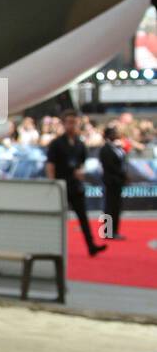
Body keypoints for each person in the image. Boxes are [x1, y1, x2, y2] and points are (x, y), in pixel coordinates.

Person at [45, 110, 106, 256]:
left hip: (75, 186)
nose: (72, 125)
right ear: (63, 123)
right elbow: (50, 165)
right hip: (61, 186)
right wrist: (53, 183)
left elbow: (82, 163)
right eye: (69, 122)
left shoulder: (80, 143)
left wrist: (80, 172)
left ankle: (91, 246)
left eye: (74, 122)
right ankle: (53, 249)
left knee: (83, 217)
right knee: (58, 219)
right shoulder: (56, 143)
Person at [98, 124, 128, 240]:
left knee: (116, 207)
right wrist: (122, 174)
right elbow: (110, 166)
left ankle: (114, 230)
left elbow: (122, 163)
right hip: (110, 181)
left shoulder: (118, 148)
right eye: (113, 133)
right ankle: (107, 232)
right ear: (108, 135)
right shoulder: (105, 149)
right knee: (109, 207)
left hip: (118, 181)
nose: (116, 135)